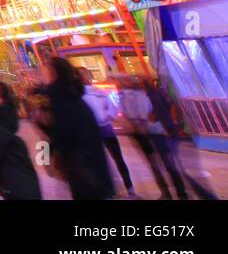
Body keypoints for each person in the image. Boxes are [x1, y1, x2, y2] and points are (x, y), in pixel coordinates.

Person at [37, 56, 115, 200]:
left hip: (80, 163)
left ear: (54, 72)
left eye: (46, 66)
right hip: (89, 162)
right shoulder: (72, 95)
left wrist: (46, 158)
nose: (41, 69)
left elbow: (53, 133)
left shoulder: (57, 99)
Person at [118, 75, 187, 200]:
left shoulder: (150, 95)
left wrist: (169, 124)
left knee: (167, 165)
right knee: (159, 166)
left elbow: (153, 113)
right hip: (149, 133)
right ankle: (172, 194)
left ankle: (180, 194)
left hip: (158, 133)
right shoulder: (131, 95)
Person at [80, 67, 135, 198]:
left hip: (102, 129)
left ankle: (126, 188)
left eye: (85, 74)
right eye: (82, 75)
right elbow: (111, 110)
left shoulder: (94, 93)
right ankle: (117, 189)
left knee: (115, 159)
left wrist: (106, 116)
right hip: (99, 130)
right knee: (107, 161)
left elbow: (111, 110)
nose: (85, 78)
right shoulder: (90, 93)